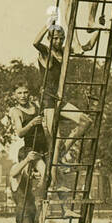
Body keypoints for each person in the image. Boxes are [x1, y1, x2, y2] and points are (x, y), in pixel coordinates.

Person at [34, 23, 97, 163]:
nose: (58, 41)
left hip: (59, 99)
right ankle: (52, 180)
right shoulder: (45, 51)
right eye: (55, 38)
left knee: (86, 121)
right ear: (50, 39)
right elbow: (35, 42)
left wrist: (99, 30)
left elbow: (87, 47)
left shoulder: (64, 51)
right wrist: (47, 25)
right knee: (55, 141)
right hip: (48, 101)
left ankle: (64, 150)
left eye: (61, 39)